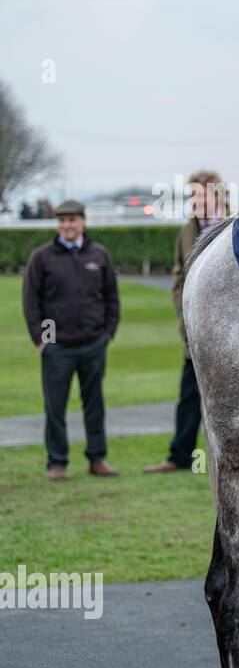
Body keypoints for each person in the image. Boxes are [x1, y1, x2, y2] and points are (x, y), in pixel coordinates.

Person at [22, 200, 121, 481]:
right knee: (55, 407)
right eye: (62, 221)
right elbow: (32, 303)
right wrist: (44, 340)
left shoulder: (98, 255)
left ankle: (97, 458)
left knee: (94, 404)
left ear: (83, 222)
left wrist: (106, 334)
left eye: (72, 220)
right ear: (58, 224)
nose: (67, 225)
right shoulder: (42, 257)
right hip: (58, 347)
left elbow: (111, 297)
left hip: (93, 344)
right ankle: (57, 462)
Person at [145, 171, 228, 473]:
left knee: (231, 401)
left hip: (232, 332)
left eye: (201, 195)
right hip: (195, 333)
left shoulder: (238, 226)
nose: (196, 201)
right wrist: (184, 316)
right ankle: (180, 457)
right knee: (188, 398)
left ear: (218, 196)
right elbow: (179, 278)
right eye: (192, 195)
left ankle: (228, 459)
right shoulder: (186, 232)